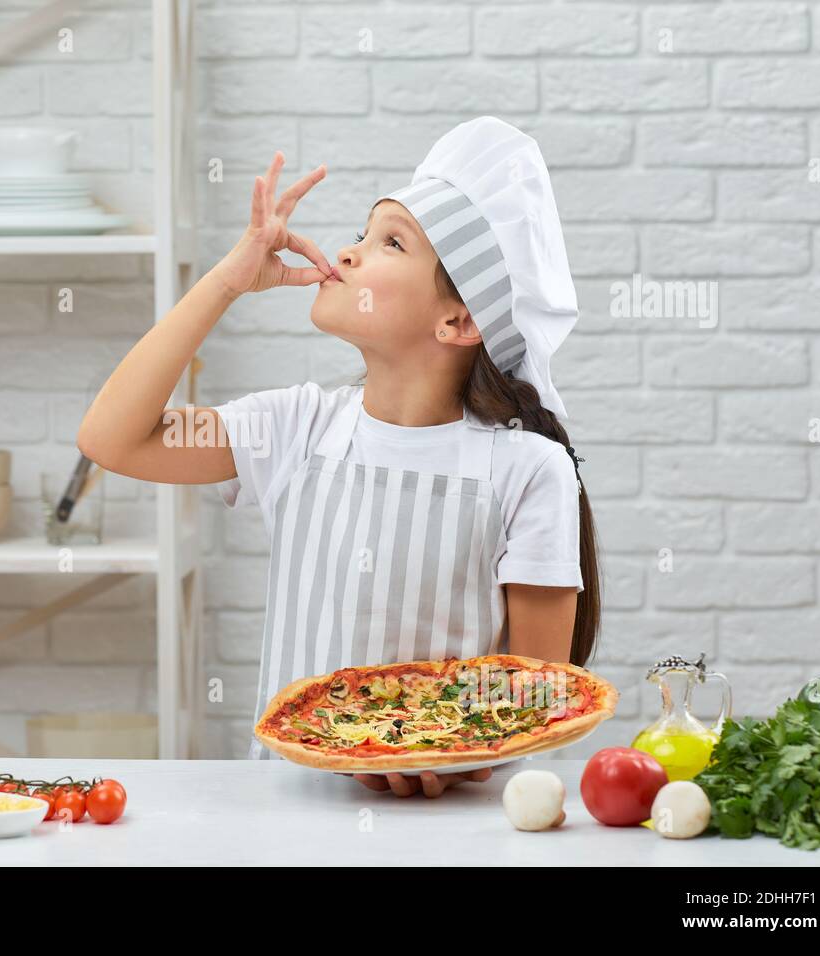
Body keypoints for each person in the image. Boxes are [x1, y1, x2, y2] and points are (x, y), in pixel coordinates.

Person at [78, 117, 600, 798]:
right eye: (360, 234)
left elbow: (533, 701)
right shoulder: (296, 426)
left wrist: (433, 753)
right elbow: (111, 438)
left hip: (448, 826)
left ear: (460, 321)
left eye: (390, 243)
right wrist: (227, 283)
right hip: (286, 810)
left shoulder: (529, 472)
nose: (348, 254)